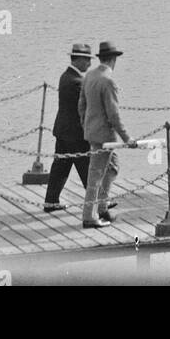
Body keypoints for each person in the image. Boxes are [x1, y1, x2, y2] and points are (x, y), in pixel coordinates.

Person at [77, 41, 138, 229]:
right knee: (95, 175)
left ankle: (102, 207)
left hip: (92, 133)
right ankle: (89, 216)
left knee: (112, 168)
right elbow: (113, 114)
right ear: (113, 60)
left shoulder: (90, 75)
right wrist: (127, 138)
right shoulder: (108, 80)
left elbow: (82, 106)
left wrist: (86, 126)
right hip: (104, 137)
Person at [42, 43, 93, 212]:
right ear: (77, 59)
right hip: (75, 133)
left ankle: (51, 201)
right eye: (86, 60)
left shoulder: (66, 76)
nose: (89, 64)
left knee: (61, 167)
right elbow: (86, 108)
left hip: (63, 130)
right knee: (87, 167)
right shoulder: (77, 81)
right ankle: (99, 203)